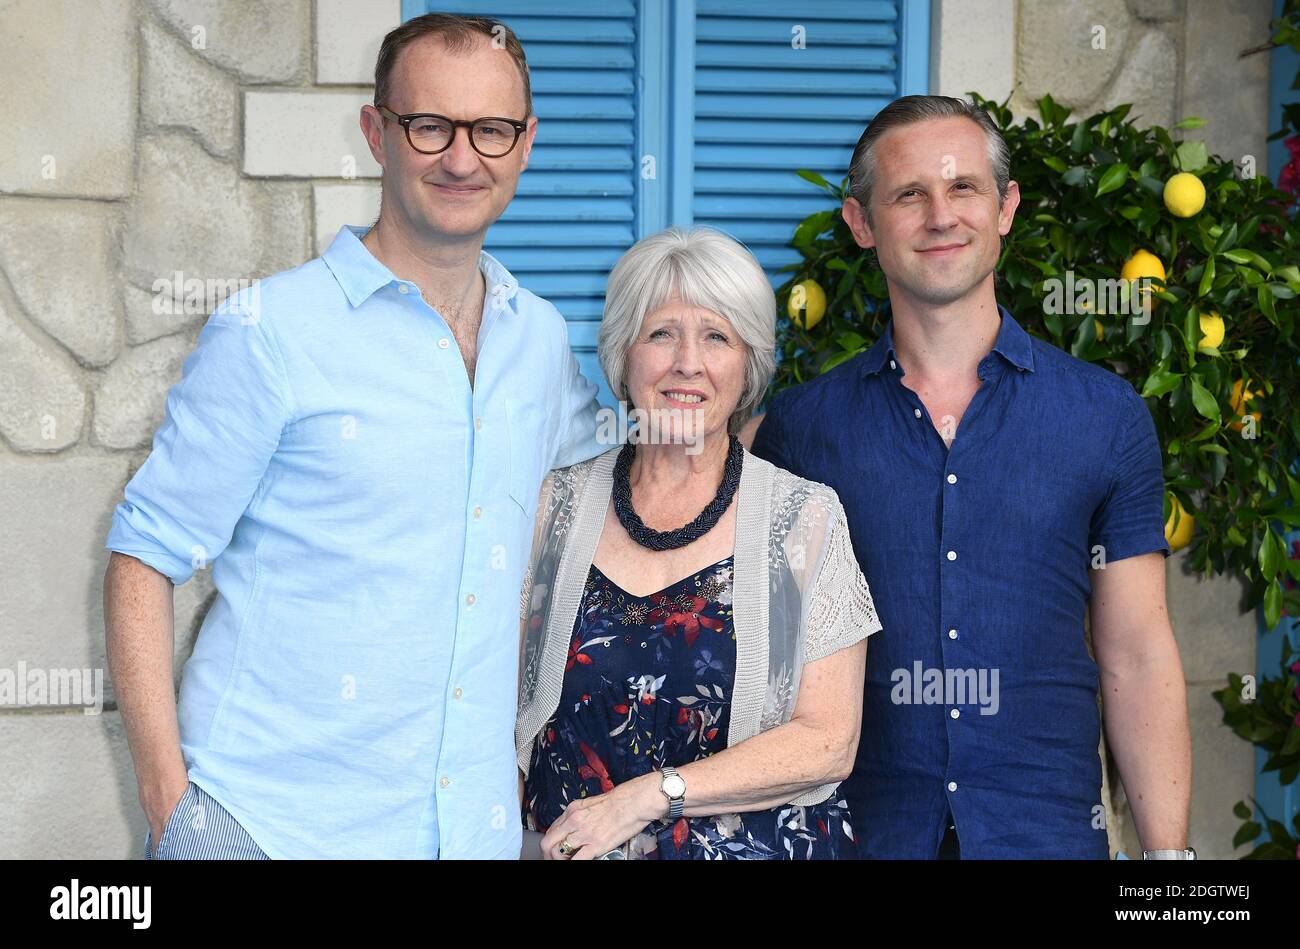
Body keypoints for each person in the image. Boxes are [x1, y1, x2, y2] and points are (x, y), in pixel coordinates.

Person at [103, 13, 603, 859]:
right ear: (376, 131)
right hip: (269, 830)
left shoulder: (540, 340)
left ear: (525, 144)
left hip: (466, 833)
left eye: (490, 130)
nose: (460, 157)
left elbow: (619, 482)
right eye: (429, 125)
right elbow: (142, 555)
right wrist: (176, 813)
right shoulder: (272, 330)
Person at [741, 95, 1192, 859]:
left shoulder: (1105, 417)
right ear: (861, 223)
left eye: (963, 189)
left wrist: (1169, 866)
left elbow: (1138, 655)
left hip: (1045, 837)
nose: (939, 215)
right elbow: (763, 659)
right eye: (909, 193)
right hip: (860, 837)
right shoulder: (801, 430)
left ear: (1005, 207)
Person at [515, 226, 882, 860]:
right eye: (661, 334)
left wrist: (648, 796)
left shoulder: (804, 519)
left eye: (717, 337)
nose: (688, 362)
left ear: (749, 366)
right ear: (624, 355)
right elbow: (493, 711)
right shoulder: (557, 506)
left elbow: (828, 741)